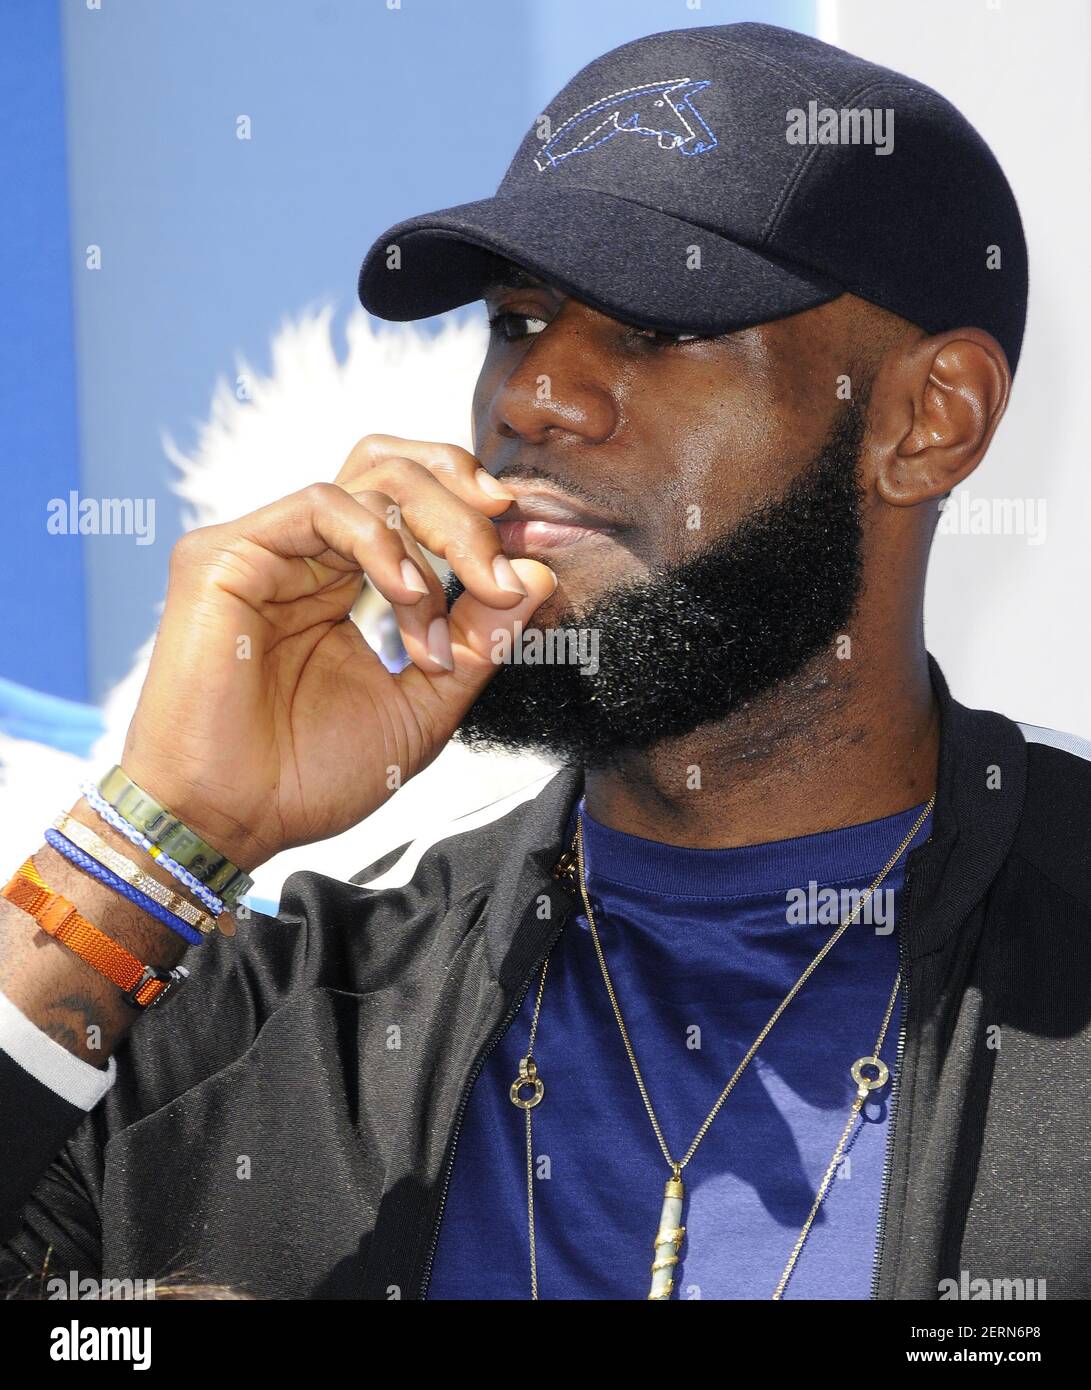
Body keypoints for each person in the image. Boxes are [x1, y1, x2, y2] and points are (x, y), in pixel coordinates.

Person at [1, 22, 1087, 1302]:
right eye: (517, 321)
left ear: (926, 419)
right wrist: (164, 831)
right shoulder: (281, 1030)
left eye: (654, 327)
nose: (534, 398)